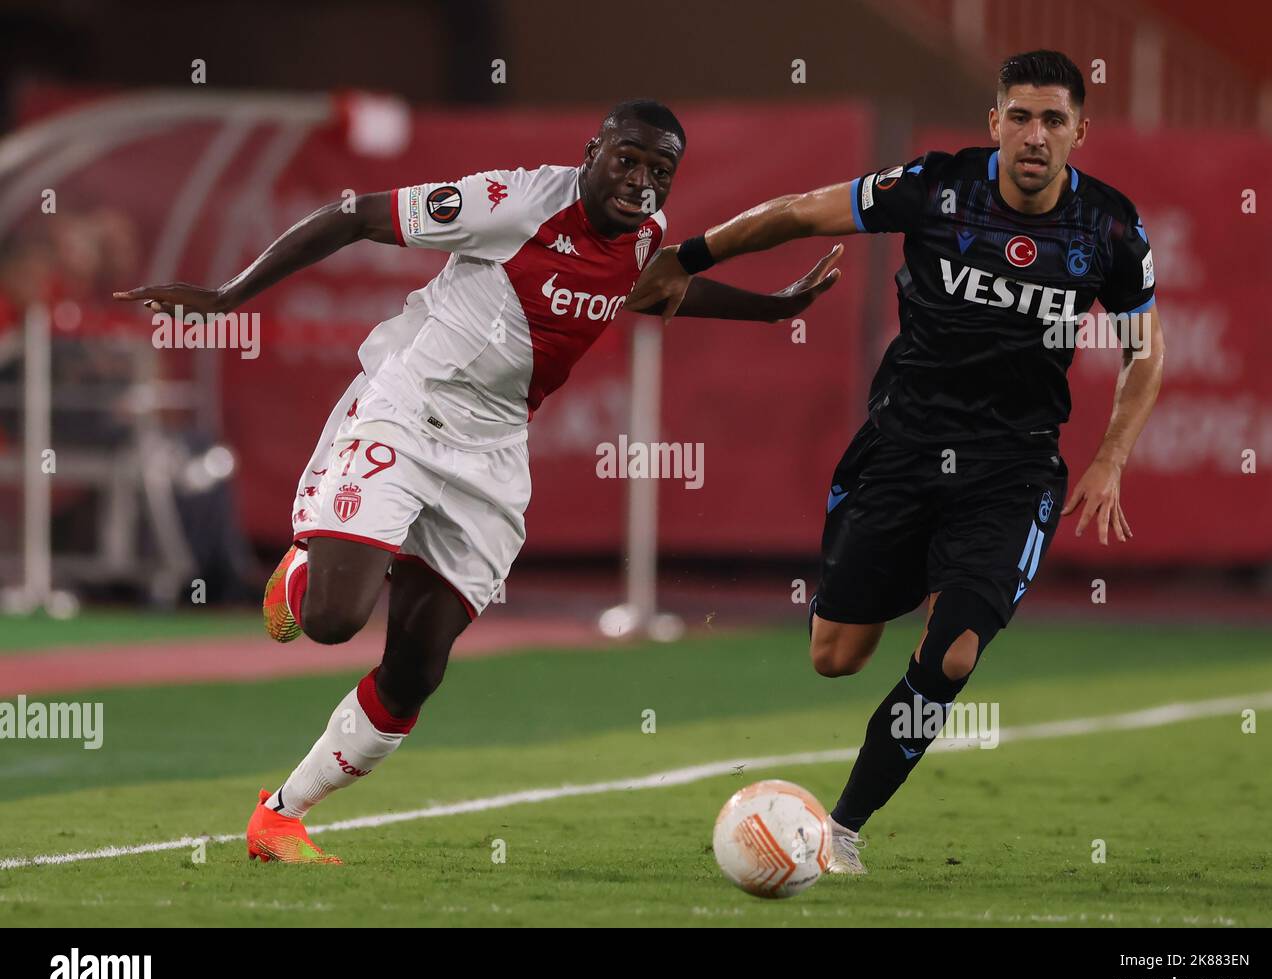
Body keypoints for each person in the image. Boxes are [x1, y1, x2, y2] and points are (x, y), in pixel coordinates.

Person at [114, 98, 842, 864]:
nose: (640, 180)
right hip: (409, 409)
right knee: (331, 621)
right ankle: (311, 564)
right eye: (626, 159)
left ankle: (280, 815)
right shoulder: (515, 200)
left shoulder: (647, 238)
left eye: (660, 170)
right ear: (591, 150)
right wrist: (230, 296)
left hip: (493, 456)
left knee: (416, 671)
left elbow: (657, 290)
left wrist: (771, 312)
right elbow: (358, 214)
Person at [629, 53, 1165, 874]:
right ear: (994, 123)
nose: (1035, 135)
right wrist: (692, 257)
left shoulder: (1111, 231)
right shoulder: (936, 189)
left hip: (1013, 470)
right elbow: (803, 212)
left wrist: (1111, 458)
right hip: (902, 449)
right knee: (835, 656)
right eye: (1019, 116)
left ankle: (841, 828)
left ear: (1079, 134)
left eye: (1053, 120)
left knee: (952, 653)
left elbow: (1144, 349)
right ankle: (922, 567)